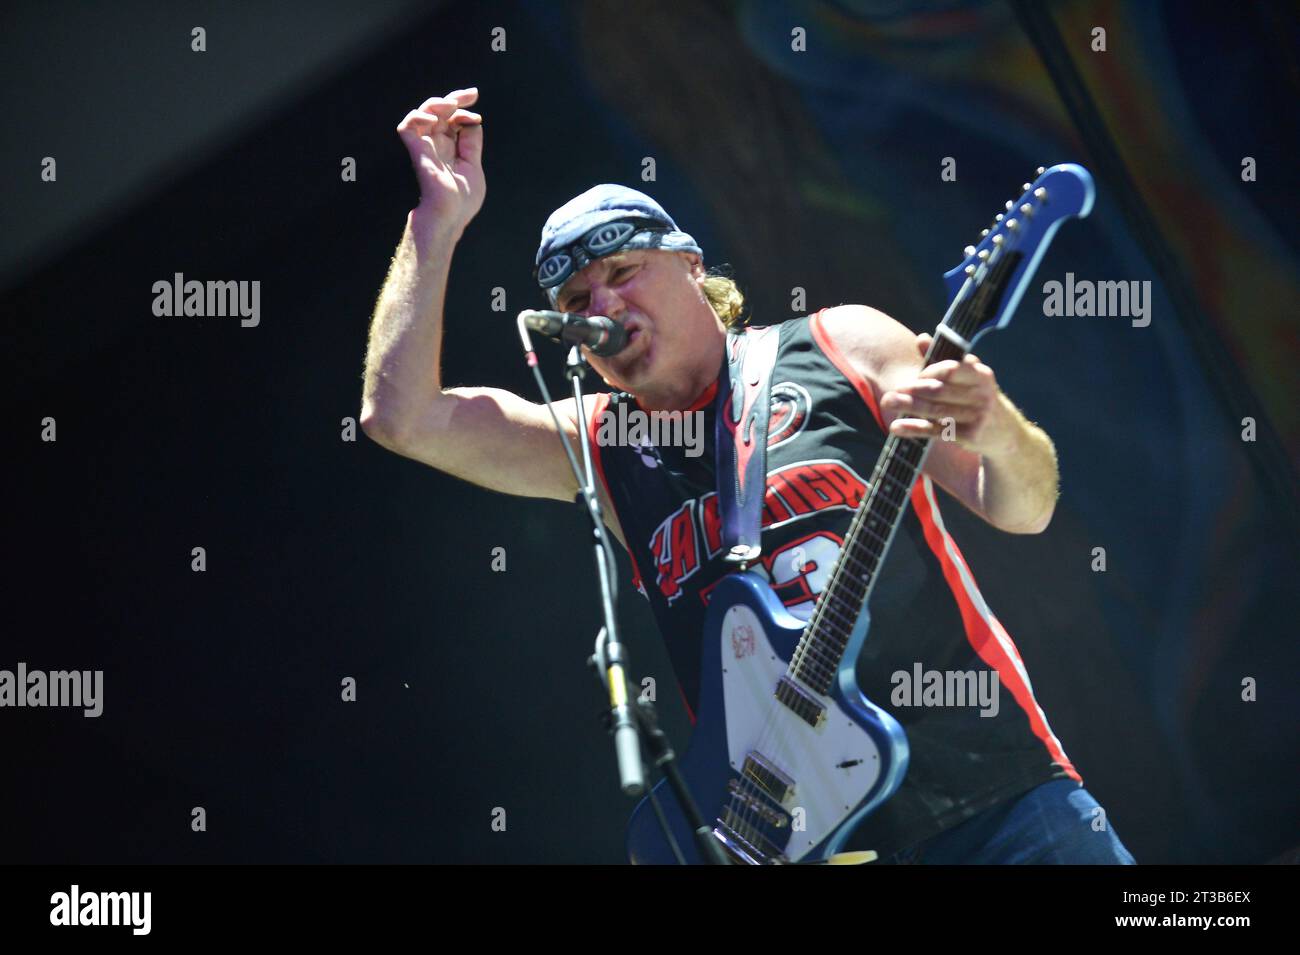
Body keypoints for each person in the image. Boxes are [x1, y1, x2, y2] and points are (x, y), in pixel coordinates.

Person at [361, 88, 1136, 865]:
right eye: (576, 301)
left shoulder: (840, 343)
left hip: (999, 798)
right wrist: (437, 220)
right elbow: (401, 419)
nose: (604, 306)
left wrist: (995, 423)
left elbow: (1025, 506)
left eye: (624, 270)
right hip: (812, 846)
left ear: (691, 264)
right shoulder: (603, 442)